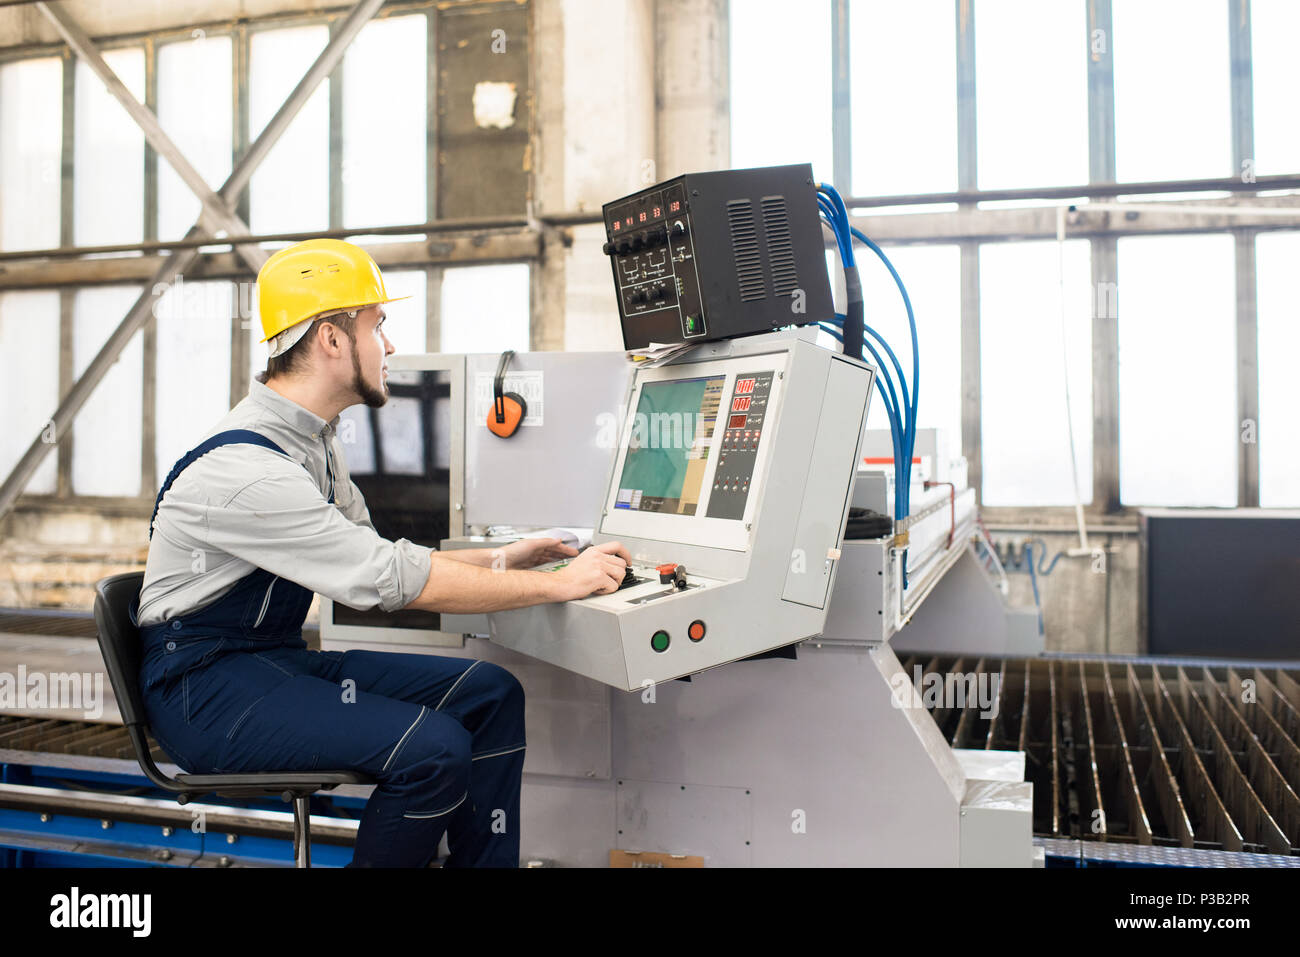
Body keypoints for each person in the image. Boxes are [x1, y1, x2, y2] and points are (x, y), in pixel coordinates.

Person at [133, 238, 630, 867]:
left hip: (271, 664)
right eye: (378, 326)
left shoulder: (315, 444)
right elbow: (391, 582)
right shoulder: (247, 469)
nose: (389, 347)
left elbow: (384, 557)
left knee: (490, 692)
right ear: (332, 340)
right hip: (205, 695)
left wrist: (514, 559)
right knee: (433, 750)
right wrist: (560, 585)